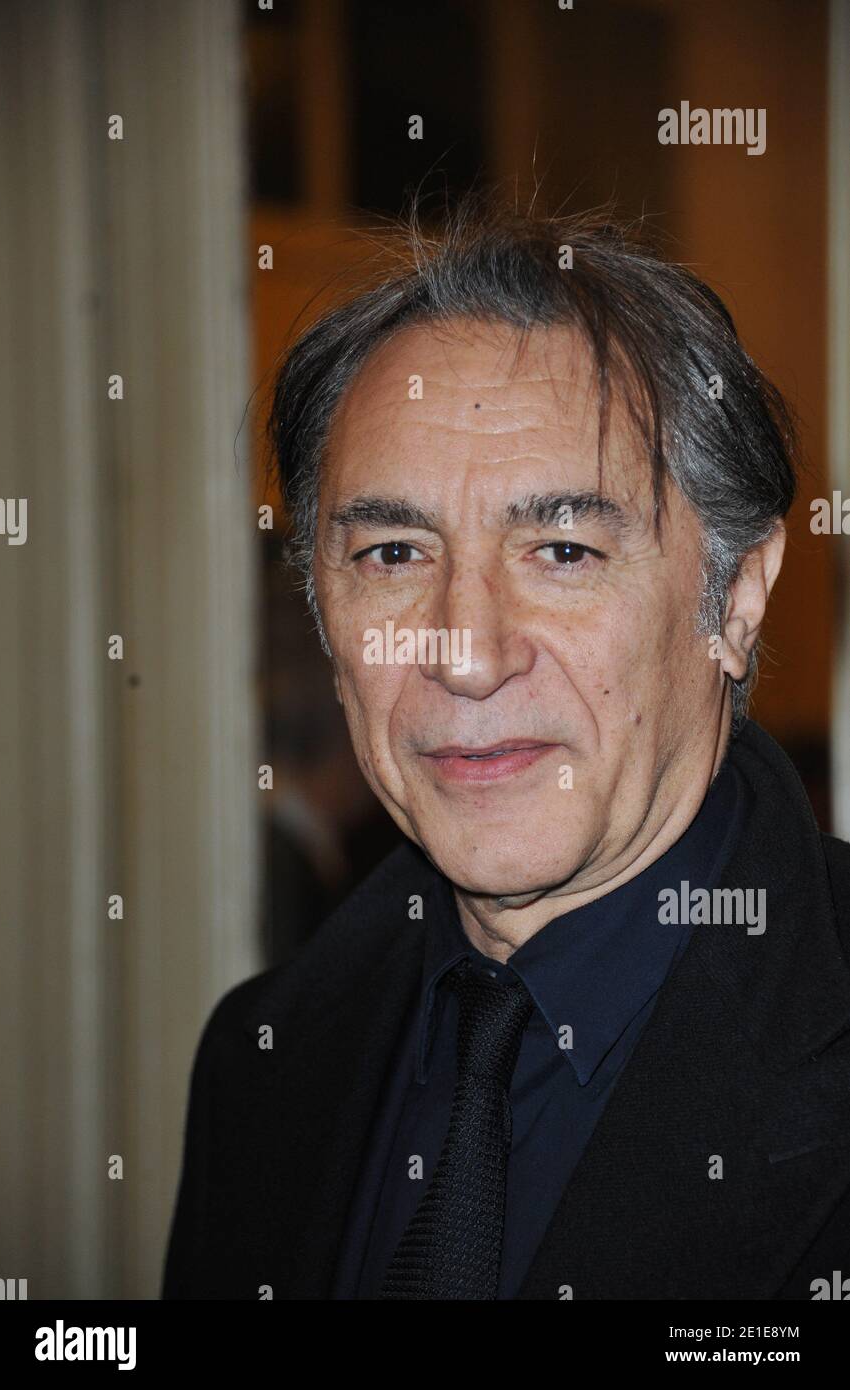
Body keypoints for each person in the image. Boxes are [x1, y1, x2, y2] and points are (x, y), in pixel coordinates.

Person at [162, 199, 850, 1300]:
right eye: (391, 551)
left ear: (736, 597)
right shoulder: (262, 1059)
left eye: (562, 550)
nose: (466, 654)